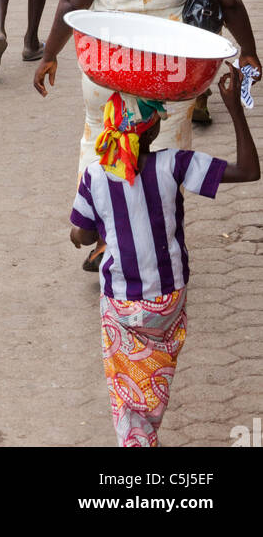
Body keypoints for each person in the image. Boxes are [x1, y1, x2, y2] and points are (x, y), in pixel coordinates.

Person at [34, 0, 262, 268]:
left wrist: (50, 54)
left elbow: (70, 4)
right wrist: (247, 51)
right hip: (170, 79)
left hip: (108, 70)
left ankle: (104, 233)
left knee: (98, 139)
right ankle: (157, 241)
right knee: (167, 154)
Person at [71, 69, 259, 447]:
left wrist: (91, 232)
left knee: (127, 396)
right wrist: (234, 109)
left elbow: (81, 234)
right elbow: (248, 171)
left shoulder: (94, 176)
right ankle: (146, 429)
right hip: (169, 299)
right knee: (154, 375)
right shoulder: (173, 164)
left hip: (122, 303)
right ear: (154, 131)